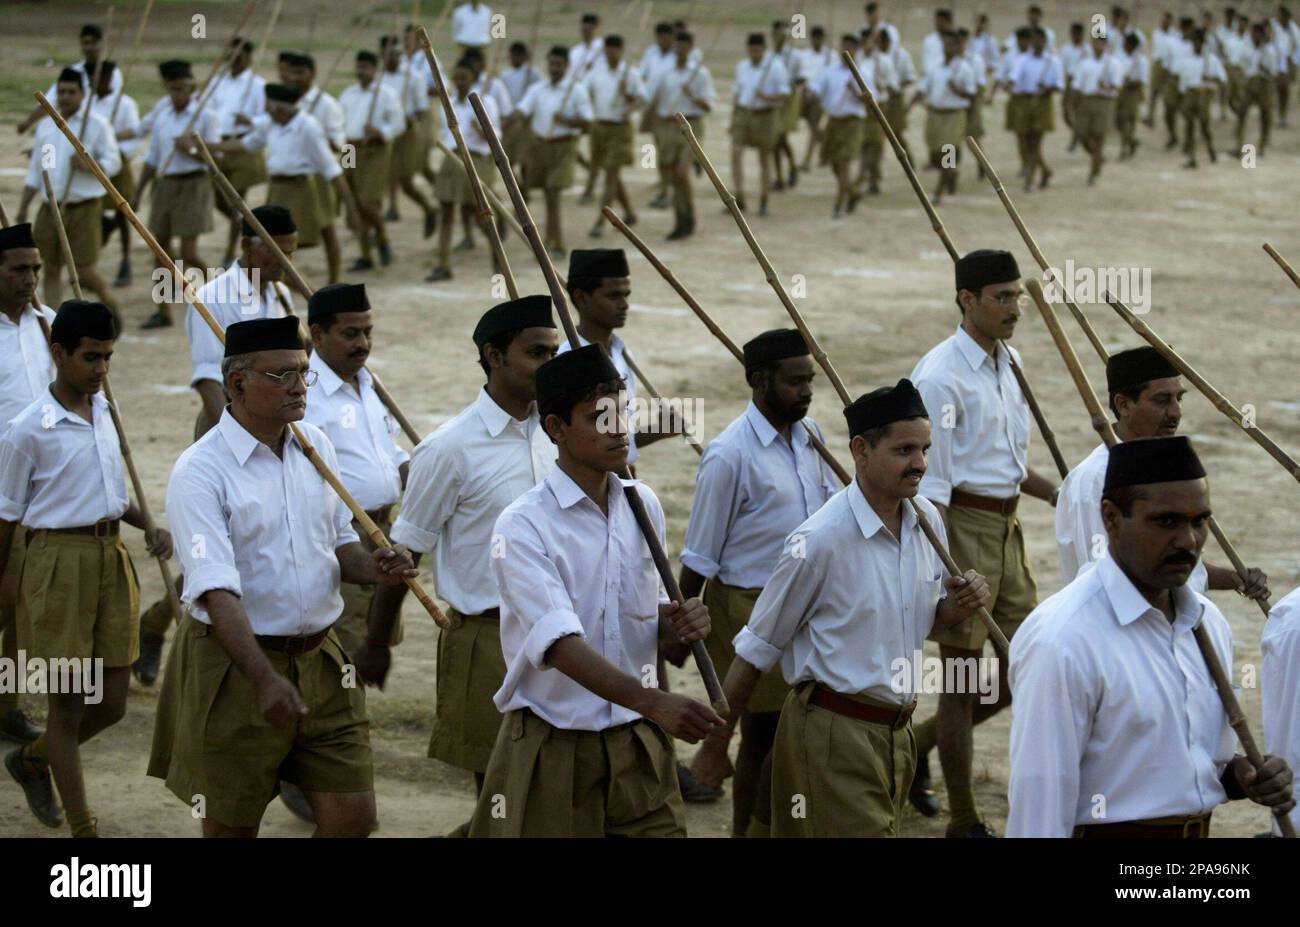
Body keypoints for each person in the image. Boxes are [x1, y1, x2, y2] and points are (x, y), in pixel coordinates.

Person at [148, 316, 417, 837]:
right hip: (236, 671)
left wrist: (377, 568)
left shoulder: (314, 444)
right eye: (280, 375)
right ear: (237, 383)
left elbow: (339, 546)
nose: (298, 386)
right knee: (232, 827)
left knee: (353, 821)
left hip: (324, 661)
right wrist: (263, 678)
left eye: (302, 373)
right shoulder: (200, 472)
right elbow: (215, 589)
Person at [702, 380, 991, 836]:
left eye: (925, 449)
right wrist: (715, 746)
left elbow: (920, 623)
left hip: (898, 732)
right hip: (833, 732)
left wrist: (956, 608)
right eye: (903, 450)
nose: (919, 464)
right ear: (861, 449)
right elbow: (757, 648)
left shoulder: (928, 521)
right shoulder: (817, 542)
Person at [465, 344, 725, 836]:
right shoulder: (522, 525)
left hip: (639, 741)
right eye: (599, 417)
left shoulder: (641, 504)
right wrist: (653, 702)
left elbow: (647, 625)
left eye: (623, 411)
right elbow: (560, 645)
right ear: (556, 428)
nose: (620, 427)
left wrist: (681, 623)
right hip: (557, 746)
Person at [1008, 437, 1295, 837]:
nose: (1188, 541)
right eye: (1166, 522)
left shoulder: (1207, 623)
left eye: (1199, 522)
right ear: (1110, 518)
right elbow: (1039, 811)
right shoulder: (1063, 640)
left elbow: (1192, 762)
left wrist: (1243, 774)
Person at [358, 296, 558, 809]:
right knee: (500, 792)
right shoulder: (448, 449)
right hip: (489, 640)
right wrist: (378, 642)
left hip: (565, 633)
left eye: (553, 353)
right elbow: (407, 553)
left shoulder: (561, 433)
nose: (548, 366)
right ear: (495, 356)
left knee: (559, 786)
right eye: (536, 353)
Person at [1, 300, 172, 837]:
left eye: (108, 358)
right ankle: (83, 828)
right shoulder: (27, 430)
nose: (101, 370)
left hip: (111, 559)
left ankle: (32, 759)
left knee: (113, 703)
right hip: (56, 565)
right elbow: (5, 516)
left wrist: (149, 525)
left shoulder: (106, 411)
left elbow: (109, 492)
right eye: (90, 358)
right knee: (68, 707)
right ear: (59, 354)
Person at [907, 249, 1059, 837]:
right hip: (961, 529)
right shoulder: (940, 376)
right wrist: (942, 567)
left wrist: (1058, 492)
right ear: (966, 301)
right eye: (1002, 296)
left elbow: (1007, 461)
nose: (1015, 307)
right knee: (962, 681)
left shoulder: (1011, 360)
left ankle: (919, 745)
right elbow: (933, 484)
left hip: (1009, 529)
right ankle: (964, 819)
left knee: (1032, 665)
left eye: (1018, 295)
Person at [678, 329, 841, 837]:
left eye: (809, 380)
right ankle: (746, 828)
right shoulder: (729, 454)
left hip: (809, 603)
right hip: (749, 605)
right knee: (765, 730)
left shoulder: (812, 436)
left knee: (797, 726)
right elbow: (701, 552)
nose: (806, 390)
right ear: (758, 382)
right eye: (794, 382)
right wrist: (682, 631)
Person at [133, 206, 301, 688]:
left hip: (274, 433)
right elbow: (209, 378)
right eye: (278, 254)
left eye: (291, 254)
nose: (286, 264)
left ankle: (159, 619)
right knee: (215, 548)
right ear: (249, 245)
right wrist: (236, 433)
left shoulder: (281, 291)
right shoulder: (213, 297)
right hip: (225, 431)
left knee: (250, 545)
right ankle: (185, 634)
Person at [1054, 346, 1268, 600]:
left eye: (1179, 398)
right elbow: (1106, 577)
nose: (1176, 413)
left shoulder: (1158, 469)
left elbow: (1162, 561)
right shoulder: (1096, 479)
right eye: (1162, 400)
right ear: (1123, 405)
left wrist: (1235, 578)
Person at [302, 283, 409, 657]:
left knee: (373, 637)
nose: (363, 343)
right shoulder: (305, 397)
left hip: (384, 532)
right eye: (350, 334)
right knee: (345, 644)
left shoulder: (368, 381)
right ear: (317, 335)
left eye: (367, 332)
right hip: (339, 538)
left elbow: (388, 451)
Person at [0, 223, 54, 745]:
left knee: (20, 604)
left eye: (35, 269)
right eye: (18, 269)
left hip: (45, 492)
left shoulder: (50, 327)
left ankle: (7, 705)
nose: (30, 279)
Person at [18, 68, 122, 315]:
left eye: (71, 92)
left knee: (84, 270)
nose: (65, 96)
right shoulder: (46, 127)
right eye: (62, 91)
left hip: (83, 207)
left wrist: (89, 165)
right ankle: (55, 320)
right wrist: (23, 207)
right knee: (49, 267)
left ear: (82, 94)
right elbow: (37, 171)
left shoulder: (96, 125)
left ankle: (111, 309)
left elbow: (114, 162)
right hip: (50, 206)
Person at [130, 60, 222, 329]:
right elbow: (153, 157)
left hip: (193, 184)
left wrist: (192, 150)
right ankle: (163, 310)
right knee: (160, 250)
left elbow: (215, 158)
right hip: (165, 184)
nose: (176, 94)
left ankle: (225, 296)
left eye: (181, 89)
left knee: (188, 252)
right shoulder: (163, 115)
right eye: (172, 89)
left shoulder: (206, 116)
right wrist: (139, 190)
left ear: (192, 89)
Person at [426, 59, 500, 282]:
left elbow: (497, 136)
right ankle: (443, 264)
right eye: (456, 78)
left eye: (464, 78)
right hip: (451, 159)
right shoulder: (447, 105)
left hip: (476, 159)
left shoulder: (485, 102)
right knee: (446, 213)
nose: (459, 83)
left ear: (473, 79)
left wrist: (482, 129)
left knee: (480, 215)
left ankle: (498, 259)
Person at [517, 45, 594, 259]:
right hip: (540, 147)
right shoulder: (537, 89)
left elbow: (588, 124)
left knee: (552, 194)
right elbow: (522, 111)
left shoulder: (577, 90)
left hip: (564, 147)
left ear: (567, 66)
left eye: (559, 65)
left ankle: (555, 243)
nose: (555, 68)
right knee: (544, 194)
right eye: (552, 64)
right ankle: (550, 242)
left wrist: (567, 120)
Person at [646, 30, 715, 240]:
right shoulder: (666, 73)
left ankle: (689, 215)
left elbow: (708, 105)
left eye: (684, 47)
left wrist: (692, 95)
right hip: (668, 125)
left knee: (681, 173)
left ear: (691, 49)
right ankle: (679, 220)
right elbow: (653, 98)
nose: (680, 51)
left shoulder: (700, 73)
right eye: (678, 47)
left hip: (690, 125)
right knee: (671, 175)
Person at [339, 50, 404, 271]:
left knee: (369, 201)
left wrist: (379, 131)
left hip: (375, 150)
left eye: (365, 66)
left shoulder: (386, 94)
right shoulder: (348, 94)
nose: (361, 71)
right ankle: (365, 254)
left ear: (375, 70)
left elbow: (398, 124)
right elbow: (341, 123)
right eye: (358, 66)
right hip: (350, 149)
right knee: (355, 203)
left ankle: (383, 237)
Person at [209, 39, 269, 270]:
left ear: (249, 58)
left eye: (238, 58)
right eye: (229, 57)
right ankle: (246, 224)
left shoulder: (257, 85)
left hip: (243, 143)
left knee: (236, 199)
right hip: (219, 145)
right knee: (218, 199)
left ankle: (229, 251)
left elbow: (268, 118)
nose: (233, 62)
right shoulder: (217, 82)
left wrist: (250, 120)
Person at [583, 35, 645, 239]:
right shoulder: (596, 72)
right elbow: (584, 92)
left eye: (614, 50)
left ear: (620, 51)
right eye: (607, 50)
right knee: (610, 173)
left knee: (610, 175)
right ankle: (628, 212)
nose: (610, 54)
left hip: (620, 128)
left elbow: (641, 99)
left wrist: (628, 100)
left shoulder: (630, 74)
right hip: (599, 127)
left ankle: (601, 221)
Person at [89, 62, 142, 288]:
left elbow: (136, 136)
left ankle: (125, 260)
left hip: (118, 165)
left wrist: (114, 150)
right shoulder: (88, 103)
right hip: (94, 167)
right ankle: (91, 263)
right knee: (94, 212)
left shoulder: (126, 104)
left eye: (106, 77)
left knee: (123, 214)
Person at [17, 24, 123, 134]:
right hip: (75, 128)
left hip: (101, 128)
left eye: (93, 43)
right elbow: (50, 101)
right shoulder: (73, 72)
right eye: (85, 43)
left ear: (102, 43)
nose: (89, 48)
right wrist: (28, 122)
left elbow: (113, 105)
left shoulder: (113, 73)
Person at [379, 35, 437, 235]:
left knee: (406, 182)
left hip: (407, 133)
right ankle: (385, 219)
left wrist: (408, 119)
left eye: (395, 55)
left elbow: (422, 109)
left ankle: (430, 208)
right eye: (386, 56)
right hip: (385, 135)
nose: (390, 59)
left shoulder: (413, 76)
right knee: (385, 180)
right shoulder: (379, 78)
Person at [911, 30, 976, 205]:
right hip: (935, 115)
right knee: (934, 153)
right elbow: (923, 88)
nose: (948, 48)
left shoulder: (964, 69)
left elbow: (971, 96)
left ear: (957, 47)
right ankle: (951, 173)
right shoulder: (935, 67)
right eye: (945, 44)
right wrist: (910, 104)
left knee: (948, 150)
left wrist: (957, 90)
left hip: (953, 116)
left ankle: (939, 191)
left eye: (951, 44)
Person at [730, 32, 791, 217]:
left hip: (765, 115)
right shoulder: (742, 67)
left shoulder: (776, 67)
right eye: (751, 50)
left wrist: (765, 96)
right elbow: (736, 93)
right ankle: (738, 195)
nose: (754, 53)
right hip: (743, 113)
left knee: (764, 159)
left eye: (757, 50)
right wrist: (733, 118)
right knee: (736, 152)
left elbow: (783, 95)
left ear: (764, 50)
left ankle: (764, 199)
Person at [813, 35, 868, 217]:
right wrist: (809, 93)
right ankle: (852, 192)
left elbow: (870, 100)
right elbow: (818, 88)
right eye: (844, 47)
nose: (847, 51)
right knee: (834, 163)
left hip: (852, 122)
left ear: (857, 50)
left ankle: (838, 205)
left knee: (844, 163)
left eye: (851, 47)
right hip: (834, 121)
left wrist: (856, 92)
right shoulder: (830, 72)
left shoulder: (862, 73)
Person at [1071, 34, 1123, 185]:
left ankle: (1093, 171)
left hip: (1104, 102)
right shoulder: (1084, 64)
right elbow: (1077, 86)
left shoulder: (1113, 64)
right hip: (1087, 101)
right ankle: (1097, 157)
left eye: (1101, 43)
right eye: (1095, 42)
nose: (1098, 45)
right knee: (1082, 135)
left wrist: (1106, 87)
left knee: (1099, 137)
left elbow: (1117, 86)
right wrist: (1074, 103)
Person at [1178, 28, 1228, 168]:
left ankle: (1210, 148)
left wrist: (1210, 79)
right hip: (1190, 93)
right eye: (1194, 42)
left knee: (1204, 126)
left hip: (1204, 94)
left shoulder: (1211, 61)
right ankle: (1192, 158)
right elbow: (1183, 82)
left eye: (1198, 42)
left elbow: (1223, 80)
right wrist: (1183, 97)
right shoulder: (1187, 60)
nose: (1196, 45)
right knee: (1189, 126)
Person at [1237, 22, 1281, 156]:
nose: (1254, 36)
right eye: (1253, 33)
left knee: (1265, 113)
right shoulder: (1247, 48)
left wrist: (1265, 69)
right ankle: (1239, 145)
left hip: (1264, 83)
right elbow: (1243, 65)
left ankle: (1262, 145)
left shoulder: (1269, 51)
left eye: (1257, 33)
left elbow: (1274, 72)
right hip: (1250, 82)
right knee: (1242, 111)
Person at [797, 26, 834, 172]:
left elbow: (831, 77)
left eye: (819, 38)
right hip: (805, 94)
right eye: (814, 37)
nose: (817, 41)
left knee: (813, 127)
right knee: (813, 127)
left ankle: (807, 160)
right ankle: (828, 147)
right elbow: (801, 76)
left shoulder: (830, 56)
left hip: (820, 97)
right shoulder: (804, 55)